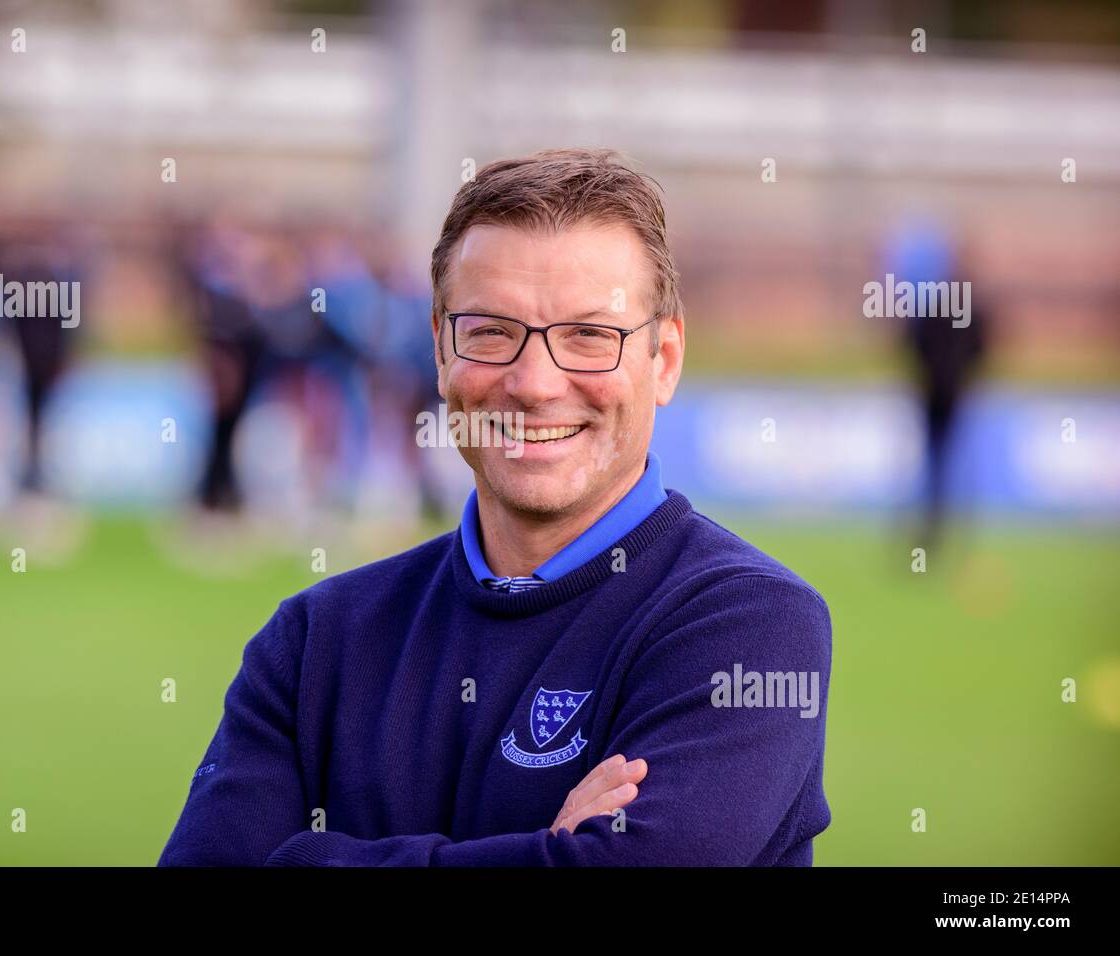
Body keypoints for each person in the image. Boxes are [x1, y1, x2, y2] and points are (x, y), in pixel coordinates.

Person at [158, 148, 832, 866]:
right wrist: (548, 852)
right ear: (442, 352)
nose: (535, 383)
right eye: (491, 331)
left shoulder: (749, 626)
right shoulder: (315, 639)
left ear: (663, 361)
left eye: (588, 336)